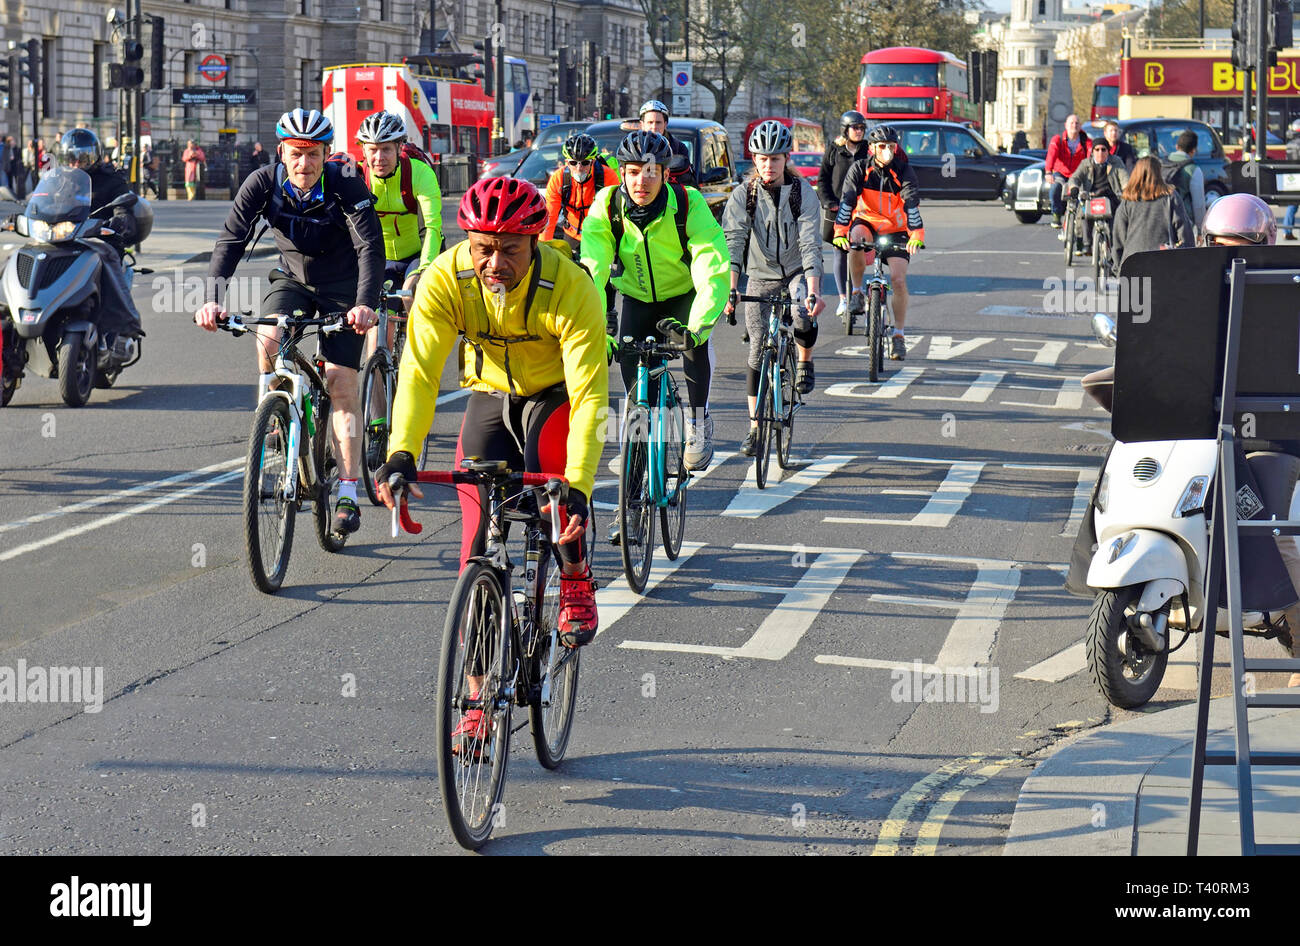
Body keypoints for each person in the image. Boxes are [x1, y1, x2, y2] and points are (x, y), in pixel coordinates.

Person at [374, 176, 607, 660]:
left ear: (534, 240)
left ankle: (574, 576)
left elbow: (590, 397)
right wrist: (401, 453)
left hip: (554, 396)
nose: (494, 264)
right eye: (483, 249)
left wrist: (580, 484)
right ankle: (477, 697)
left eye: (509, 250)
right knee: (477, 543)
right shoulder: (445, 279)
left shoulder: (570, 286)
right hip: (489, 395)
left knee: (557, 504)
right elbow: (418, 374)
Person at [193, 108, 383, 535]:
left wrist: (365, 304)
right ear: (282, 152)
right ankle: (276, 415)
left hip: (343, 287)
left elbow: (370, 247)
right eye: (296, 153)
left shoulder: (345, 187)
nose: (304, 163)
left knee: (340, 383)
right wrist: (212, 300)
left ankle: (349, 490)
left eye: (313, 154)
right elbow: (231, 241)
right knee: (267, 338)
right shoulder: (262, 184)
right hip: (294, 280)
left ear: (325, 153)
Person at [581, 130, 729, 476]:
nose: (641, 181)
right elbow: (593, 269)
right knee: (638, 404)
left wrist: (697, 326)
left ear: (665, 173)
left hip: (683, 297)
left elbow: (712, 267)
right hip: (637, 299)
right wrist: (595, 328)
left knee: (695, 347)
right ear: (622, 173)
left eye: (650, 172)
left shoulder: (689, 203)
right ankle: (631, 503)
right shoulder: (606, 205)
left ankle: (696, 422)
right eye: (632, 172)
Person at [722, 120, 825, 456]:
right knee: (755, 351)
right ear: (754, 159)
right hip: (759, 275)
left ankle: (804, 362)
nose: (768, 165)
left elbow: (810, 243)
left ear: (786, 159)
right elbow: (734, 243)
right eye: (762, 159)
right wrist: (732, 290)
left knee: (800, 311)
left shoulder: (802, 193)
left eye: (775, 159)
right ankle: (754, 427)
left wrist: (813, 289)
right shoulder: (744, 195)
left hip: (795, 271)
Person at [832, 124, 925, 361]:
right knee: (856, 239)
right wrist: (840, 232)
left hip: (897, 229)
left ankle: (899, 336)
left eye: (891, 147)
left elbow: (911, 202)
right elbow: (847, 201)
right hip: (867, 221)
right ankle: (856, 292)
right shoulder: (859, 169)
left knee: (898, 279)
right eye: (882, 146)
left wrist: (916, 234)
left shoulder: (904, 170)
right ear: (872, 148)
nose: (887, 151)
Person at [56, 128, 145, 350]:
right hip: (63, 242)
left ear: (94, 155)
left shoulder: (111, 179)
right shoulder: (60, 180)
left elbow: (123, 205)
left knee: (108, 264)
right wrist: (26, 211)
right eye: (71, 158)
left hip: (98, 242)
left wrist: (121, 220)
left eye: (82, 157)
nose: (76, 163)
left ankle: (126, 322)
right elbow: (41, 199)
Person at [355, 109, 443, 303]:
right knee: (375, 319)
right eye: (372, 149)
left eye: (386, 149)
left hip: (418, 254)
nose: (379, 158)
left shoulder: (420, 173)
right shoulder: (359, 177)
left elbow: (432, 227)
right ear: (363, 151)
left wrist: (424, 268)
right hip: (380, 258)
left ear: (399, 147)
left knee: (410, 295)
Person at [818, 110, 870, 322]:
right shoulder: (834, 150)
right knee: (840, 252)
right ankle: (843, 299)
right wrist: (829, 202)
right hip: (838, 209)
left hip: (864, 210)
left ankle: (861, 295)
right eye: (855, 128)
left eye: (861, 128)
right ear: (845, 130)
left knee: (862, 253)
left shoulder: (869, 150)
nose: (859, 131)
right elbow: (822, 180)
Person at [1110, 155, 1194, 273]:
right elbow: (1185, 233)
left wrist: (1118, 269)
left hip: (1132, 264)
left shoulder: (1127, 201)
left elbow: (1118, 239)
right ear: (1159, 173)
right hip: (1163, 265)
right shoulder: (1170, 198)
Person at [543, 132, 620, 252]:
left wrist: (617, 245)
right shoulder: (559, 178)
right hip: (572, 233)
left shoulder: (607, 176)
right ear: (566, 163)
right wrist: (543, 249)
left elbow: (615, 213)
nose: (579, 169)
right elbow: (550, 217)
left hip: (599, 234)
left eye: (585, 163)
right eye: (573, 163)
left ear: (593, 161)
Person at [1066, 139, 1128, 255]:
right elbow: (1075, 177)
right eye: (1097, 150)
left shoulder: (1116, 162)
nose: (1100, 153)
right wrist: (1074, 187)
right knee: (1083, 215)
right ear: (1092, 151)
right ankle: (1086, 244)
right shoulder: (1086, 163)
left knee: (1117, 218)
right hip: (1091, 197)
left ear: (1108, 151)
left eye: (1103, 150)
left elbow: (1124, 178)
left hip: (1111, 196)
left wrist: (1127, 190)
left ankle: (1115, 246)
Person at [637, 100, 696, 187]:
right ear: (642, 124)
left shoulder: (679, 148)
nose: (654, 127)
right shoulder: (633, 147)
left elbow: (687, 182)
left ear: (665, 124)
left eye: (658, 122)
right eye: (650, 122)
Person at [1045, 114, 1089, 230]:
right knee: (1055, 188)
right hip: (1062, 172)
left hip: (1078, 174)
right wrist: (1048, 172)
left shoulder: (1086, 141)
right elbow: (1051, 155)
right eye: (1071, 123)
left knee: (1085, 193)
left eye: (1077, 123)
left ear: (1080, 126)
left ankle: (1083, 217)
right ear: (1066, 125)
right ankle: (1056, 214)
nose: (1074, 125)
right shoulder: (1058, 139)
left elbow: (1090, 157)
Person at [1164, 129, 1206, 234]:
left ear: (1177, 147)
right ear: (1193, 150)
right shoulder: (1193, 169)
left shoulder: (1162, 164)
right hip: (1183, 222)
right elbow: (1198, 205)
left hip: (1161, 219)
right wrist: (1201, 230)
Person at [1283, 119, 1300, 240]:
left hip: (1292, 179)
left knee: (1292, 205)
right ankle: (1287, 231)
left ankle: (1287, 230)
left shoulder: (1289, 144)